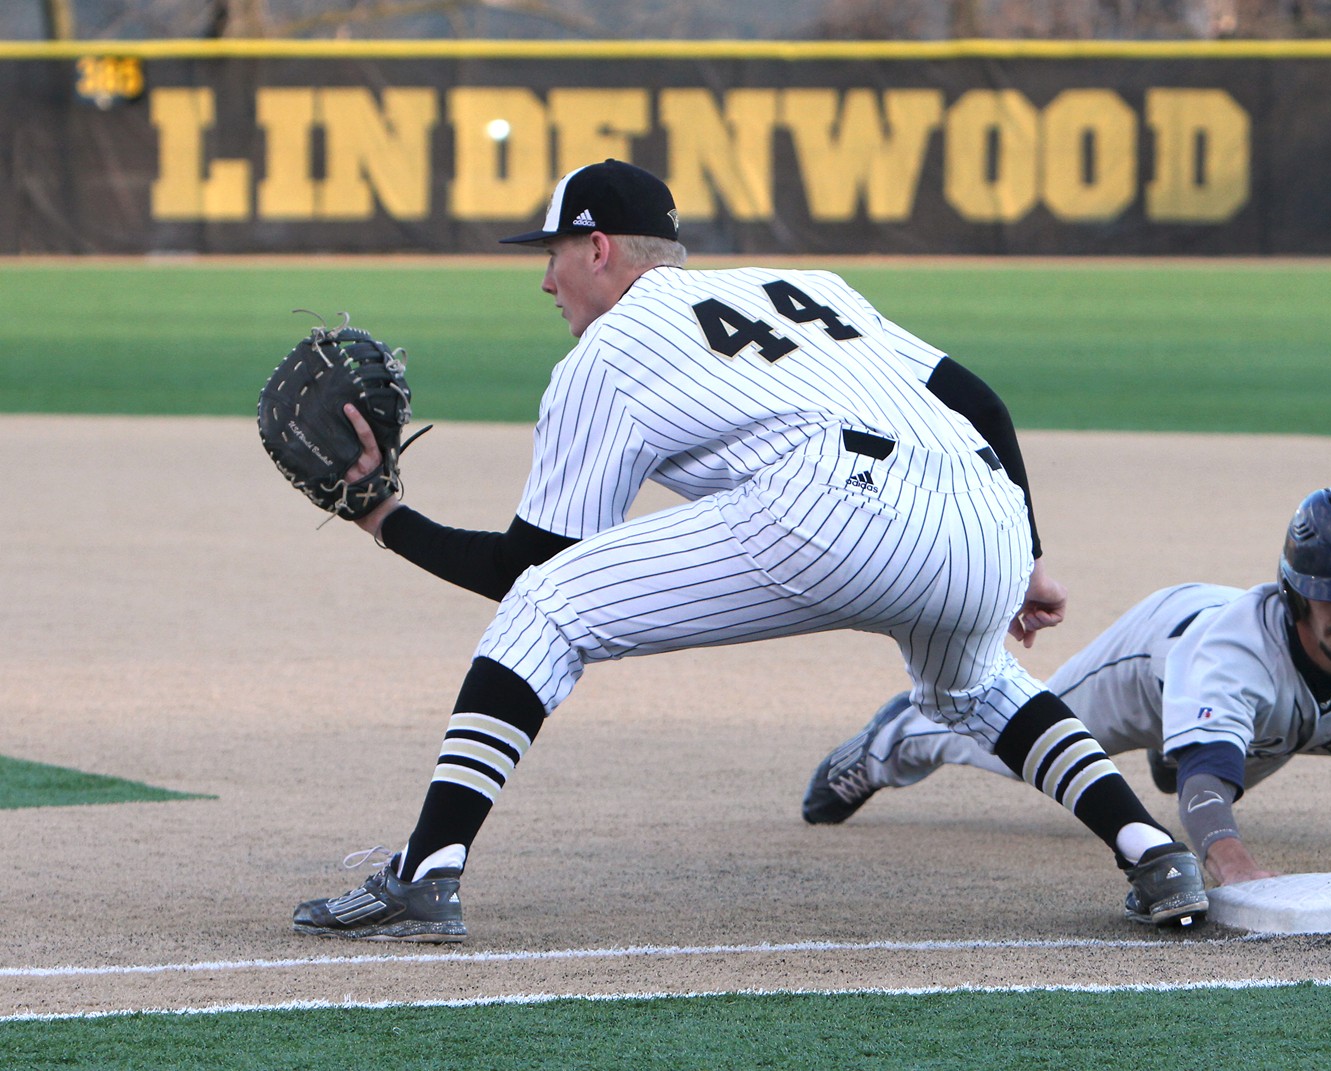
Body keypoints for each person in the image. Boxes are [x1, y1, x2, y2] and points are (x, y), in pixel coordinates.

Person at [291, 159, 1209, 942]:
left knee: (547, 605)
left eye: (553, 254)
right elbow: (982, 400)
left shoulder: (607, 352)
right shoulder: (808, 286)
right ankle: (1155, 853)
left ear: (599, 247)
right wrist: (1030, 554)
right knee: (976, 688)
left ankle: (428, 867)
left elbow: (528, 566)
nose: (545, 281)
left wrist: (384, 517)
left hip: (834, 504)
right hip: (986, 514)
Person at [803, 485, 1331, 898]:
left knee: (1192, 766)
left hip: (1256, 717)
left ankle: (1174, 752)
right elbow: (1208, 788)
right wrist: (1230, 862)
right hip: (1162, 652)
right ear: (1296, 592)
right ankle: (900, 735)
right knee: (1026, 748)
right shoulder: (1234, 650)